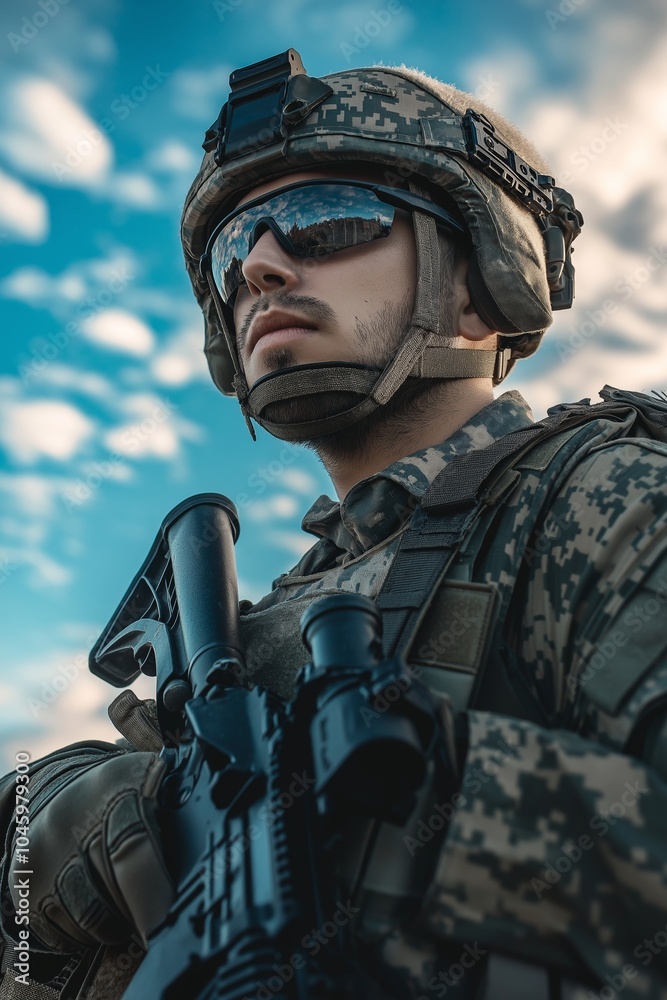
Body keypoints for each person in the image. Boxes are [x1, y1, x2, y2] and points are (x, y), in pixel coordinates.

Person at [2, 48, 667, 1000]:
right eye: (234, 254)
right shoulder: (271, 615)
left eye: (324, 221)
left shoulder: (604, 502)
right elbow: (29, 914)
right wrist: (66, 806)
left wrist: (390, 806)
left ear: (484, 272)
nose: (262, 269)